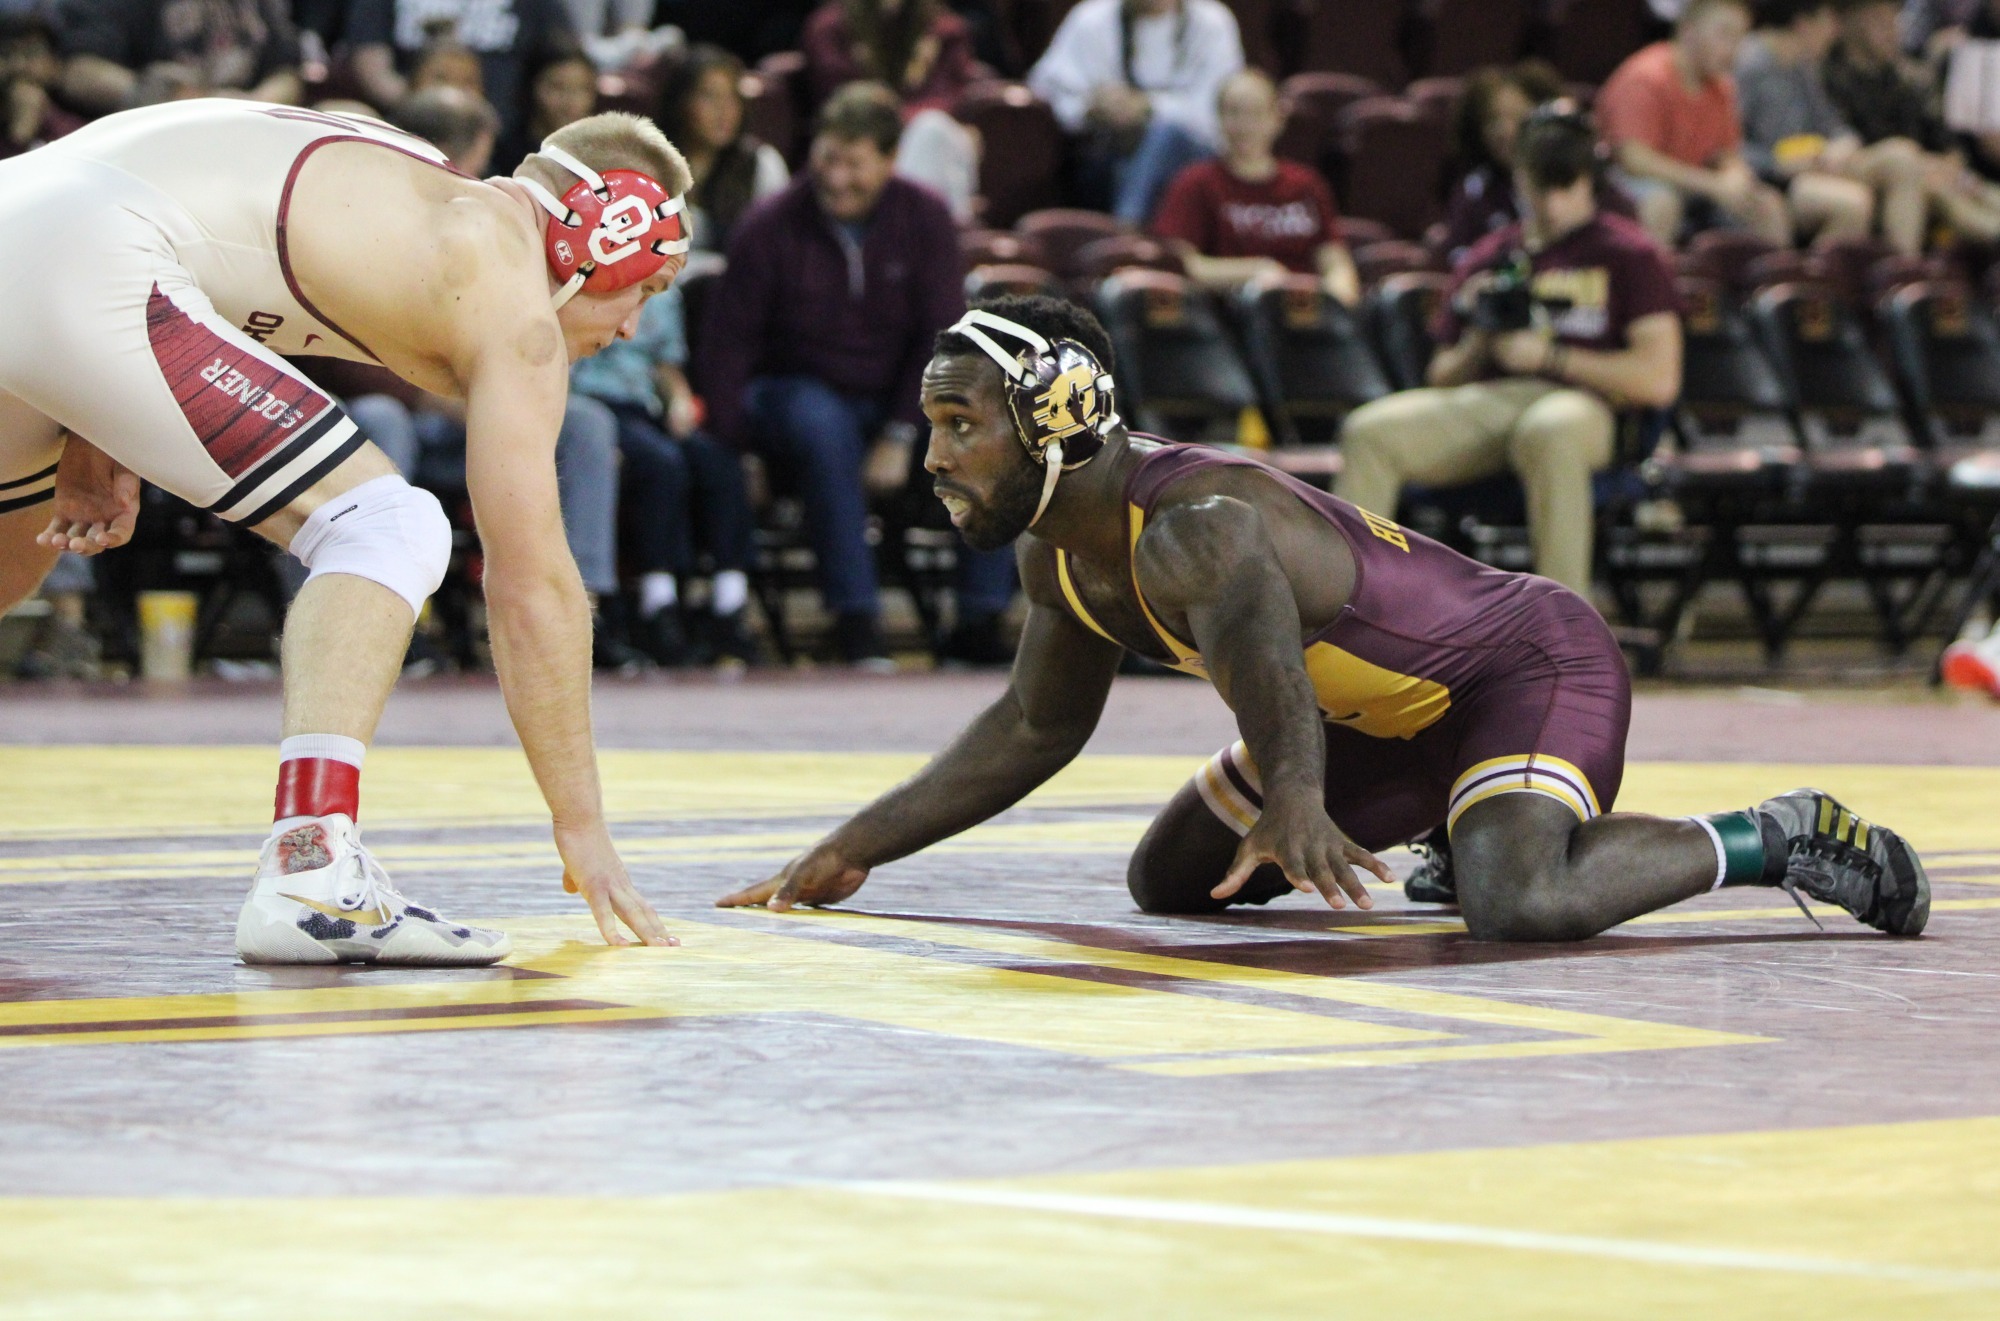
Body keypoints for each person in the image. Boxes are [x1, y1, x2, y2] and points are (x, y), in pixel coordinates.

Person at [715, 292, 1929, 944]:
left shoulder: (1197, 524)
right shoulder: (1057, 551)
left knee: (1520, 903)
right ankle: (1457, 818)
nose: (935, 457)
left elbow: (1276, 685)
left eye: (960, 424)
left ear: (1055, 417)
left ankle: (1774, 835)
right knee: (1169, 881)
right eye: (933, 425)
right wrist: (857, 845)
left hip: (1519, 665)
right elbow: (1034, 725)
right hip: (1374, 718)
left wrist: (1297, 795)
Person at [0, 99, 684, 962]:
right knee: (387, 524)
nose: (632, 327)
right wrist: (582, 826)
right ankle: (310, 870)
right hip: (93, 258)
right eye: (647, 289)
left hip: (39, 218)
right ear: (605, 236)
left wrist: (97, 427)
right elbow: (531, 584)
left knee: (10, 566)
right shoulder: (510, 296)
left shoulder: (402, 172)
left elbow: (205, 215)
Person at [699, 82, 1015, 667]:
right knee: (821, 426)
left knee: (991, 428)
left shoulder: (925, 218)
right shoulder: (768, 226)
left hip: (900, 397)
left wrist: (902, 431)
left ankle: (980, 617)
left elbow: (942, 339)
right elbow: (727, 349)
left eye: (854, 164)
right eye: (828, 159)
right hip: (793, 391)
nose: (837, 178)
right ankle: (856, 620)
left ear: (891, 160)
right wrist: (735, 448)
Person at [1335, 106, 1682, 600]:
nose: (1553, 204)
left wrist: (1550, 358)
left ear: (1589, 181)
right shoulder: (1493, 256)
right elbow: (1441, 376)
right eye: (1541, 188)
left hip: (1595, 406)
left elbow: (1659, 380)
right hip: (1498, 398)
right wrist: (1479, 338)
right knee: (1369, 431)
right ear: (1520, 180)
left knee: (1548, 430)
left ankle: (1564, 627)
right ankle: (1354, 614)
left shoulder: (1629, 254)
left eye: (1566, 188)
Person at [570, 282, 759, 666]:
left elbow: (666, 366)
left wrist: (679, 403)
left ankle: (729, 602)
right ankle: (658, 603)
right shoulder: (572, 284)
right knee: (661, 465)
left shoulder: (661, 291)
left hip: (645, 406)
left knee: (718, 463)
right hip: (593, 406)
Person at [1737, 0, 1934, 254]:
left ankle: (1903, 267)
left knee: (1902, 156)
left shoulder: (1802, 65)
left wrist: (1842, 145)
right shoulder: (1749, 65)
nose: (1835, 32)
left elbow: (1834, 126)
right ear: (1804, 24)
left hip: (1821, 164)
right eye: (1829, 21)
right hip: (1782, 181)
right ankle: (1813, 276)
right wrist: (1777, 164)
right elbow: (1728, 145)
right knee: (1853, 202)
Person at [1150, 68, 1359, 305]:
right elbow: (1183, 264)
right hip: (1231, 309)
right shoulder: (1195, 182)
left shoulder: (1307, 184)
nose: (1245, 125)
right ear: (1218, 118)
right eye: (1234, 112)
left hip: (1305, 310)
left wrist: (1338, 298)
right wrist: (1256, 271)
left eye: (1256, 113)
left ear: (1278, 118)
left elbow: (1335, 261)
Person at [1027, 0, 1244, 225]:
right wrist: (1089, 107)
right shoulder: (1091, 19)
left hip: (1192, 154)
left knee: (1165, 135)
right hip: (1107, 153)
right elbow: (1045, 91)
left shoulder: (1213, 23)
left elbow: (1217, 110)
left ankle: (1127, 227)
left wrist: (1149, 107)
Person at [1598, 0, 1794, 246]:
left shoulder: (1720, 87)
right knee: (1662, 202)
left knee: (1766, 204)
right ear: (1688, 32)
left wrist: (1737, 177)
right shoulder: (1644, 79)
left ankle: (1771, 270)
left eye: (1740, 38)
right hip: (1626, 184)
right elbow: (1635, 160)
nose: (1733, 50)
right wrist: (1712, 185)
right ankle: (1652, 272)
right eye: (1725, 35)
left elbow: (1726, 153)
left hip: (1693, 185)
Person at [1826, 0, 2000, 239]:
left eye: (1894, 21)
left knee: (1980, 191)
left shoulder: (1907, 80)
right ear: (1851, 24)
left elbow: (1947, 144)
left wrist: (1948, 167)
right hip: (1880, 175)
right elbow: (1852, 145)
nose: (1891, 31)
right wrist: (1924, 166)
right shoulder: (1831, 80)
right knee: (1934, 187)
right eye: (1879, 22)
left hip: (1936, 174)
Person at [803, 0, 982, 221]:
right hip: (858, 139)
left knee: (934, 131)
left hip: (916, 144)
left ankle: (926, 229)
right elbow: (845, 105)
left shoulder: (945, 30)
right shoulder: (830, 27)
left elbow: (945, 97)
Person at [347, 0, 576, 147]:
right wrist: (424, 114)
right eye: (442, 78)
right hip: (405, 132)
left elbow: (565, 59)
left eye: (467, 81)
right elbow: (369, 58)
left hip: (503, 140)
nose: (454, 89)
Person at [56, 0, 306, 115]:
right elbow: (76, 70)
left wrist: (256, 104)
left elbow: (286, 71)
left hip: (243, 130)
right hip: (150, 137)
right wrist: (163, 96)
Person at [655, 43, 789, 254]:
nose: (724, 111)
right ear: (681, 102)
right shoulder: (647, 163)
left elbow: (778, 247)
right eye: (710, 96)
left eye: (732, 97)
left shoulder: (762, 164)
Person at [1441, 61, 1570, 263]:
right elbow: (1462, 263)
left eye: (1516, 116)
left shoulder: (1580, 181)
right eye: (1492, 120)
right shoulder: (1475, 193)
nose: (1504, 131)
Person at [0, 13, 81, 161]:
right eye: (6, 54)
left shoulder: (75, 133)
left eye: (31, 53)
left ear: (54, 64)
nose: (18, 65)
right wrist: (19, 136)